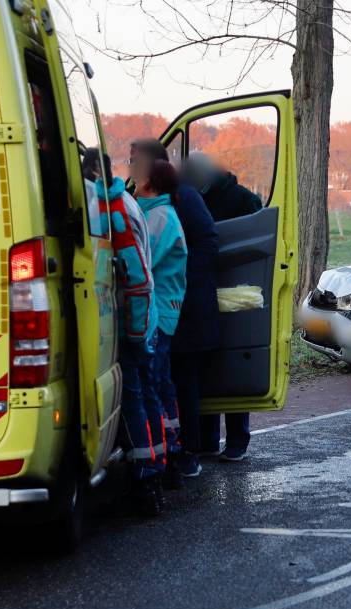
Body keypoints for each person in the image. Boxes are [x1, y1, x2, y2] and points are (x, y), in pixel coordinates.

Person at [131, 140, 221, 466]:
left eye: (135, 163)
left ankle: (185, 452)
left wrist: (183, 283)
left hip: (173, 307)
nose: (131, 170)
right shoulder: (149, 207)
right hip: (167, 306)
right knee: (173, 381)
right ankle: (189, 447)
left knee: (177, 382)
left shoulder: (173, 206)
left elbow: (206, 242)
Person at [83, 149, 162, 515]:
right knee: (145, 394)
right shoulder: (123, 203)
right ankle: (155, 470)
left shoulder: (112, 209)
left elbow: (134, 276)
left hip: (134, 319)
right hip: (141, 317)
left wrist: (133, 332)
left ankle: (147, 480)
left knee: (134, 398)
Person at [180, 151, 264, 461]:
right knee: (216, 363)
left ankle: (231, 439)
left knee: (230, 361)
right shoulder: (237, 198)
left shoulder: (234, 199)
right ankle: (217, 439)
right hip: (217, 291)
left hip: (233, 292)